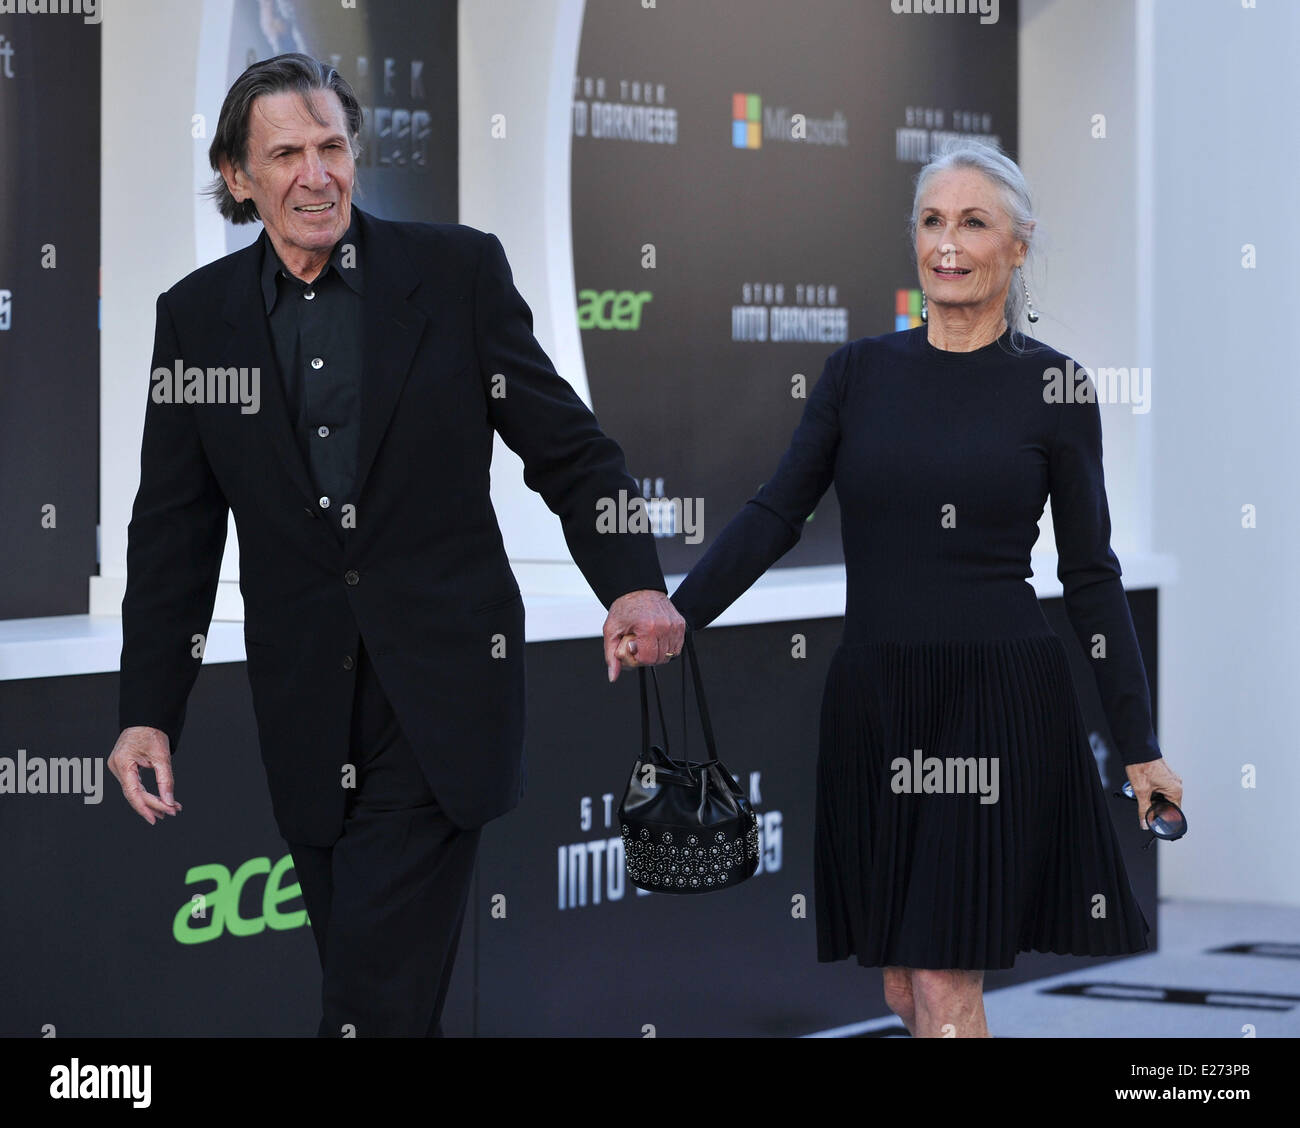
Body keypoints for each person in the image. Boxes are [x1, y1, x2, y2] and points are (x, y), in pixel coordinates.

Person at [107, 53, 684, 1037]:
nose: (317, 175)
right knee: (382, 995)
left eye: (332, 147)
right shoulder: (197, 319)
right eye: (285, 154)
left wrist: (632, 584)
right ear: (237, 176)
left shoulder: (454, 274)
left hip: (440, 699)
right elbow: (174, 531)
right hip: (306, 709)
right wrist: (147, 711)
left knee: (370, 1003)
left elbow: (571, 451)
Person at [648, 138, 1183, 1038]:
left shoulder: (1054, 386)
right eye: (933, 221)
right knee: (903, 986)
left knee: (941, 976)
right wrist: (678, 610)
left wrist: (1139, 744)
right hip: (878, 700)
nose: (947, 243)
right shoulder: (858, 374)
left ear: (1018, 244)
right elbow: (778, 512)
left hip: (996, 701)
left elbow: (1091, 575)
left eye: (973, 223)